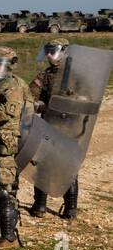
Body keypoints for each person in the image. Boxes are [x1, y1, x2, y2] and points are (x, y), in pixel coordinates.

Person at [27, 38, 77, 218]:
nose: (48, 54)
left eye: (52, 50)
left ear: (64, 51)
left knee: (65, 166)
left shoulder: (75, 77)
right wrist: (39, 106)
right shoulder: (46, 75)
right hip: (52, 126)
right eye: (47, 50)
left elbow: (85, 100)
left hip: (67, 127)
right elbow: (29, 95)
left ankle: (69, 208)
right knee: (45, 165)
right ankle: (41, 205)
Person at [0, 46, 26, 249]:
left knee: (4, 189)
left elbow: (5, 113)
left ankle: (9, 237)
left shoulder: (14, 86)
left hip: (4, 143)